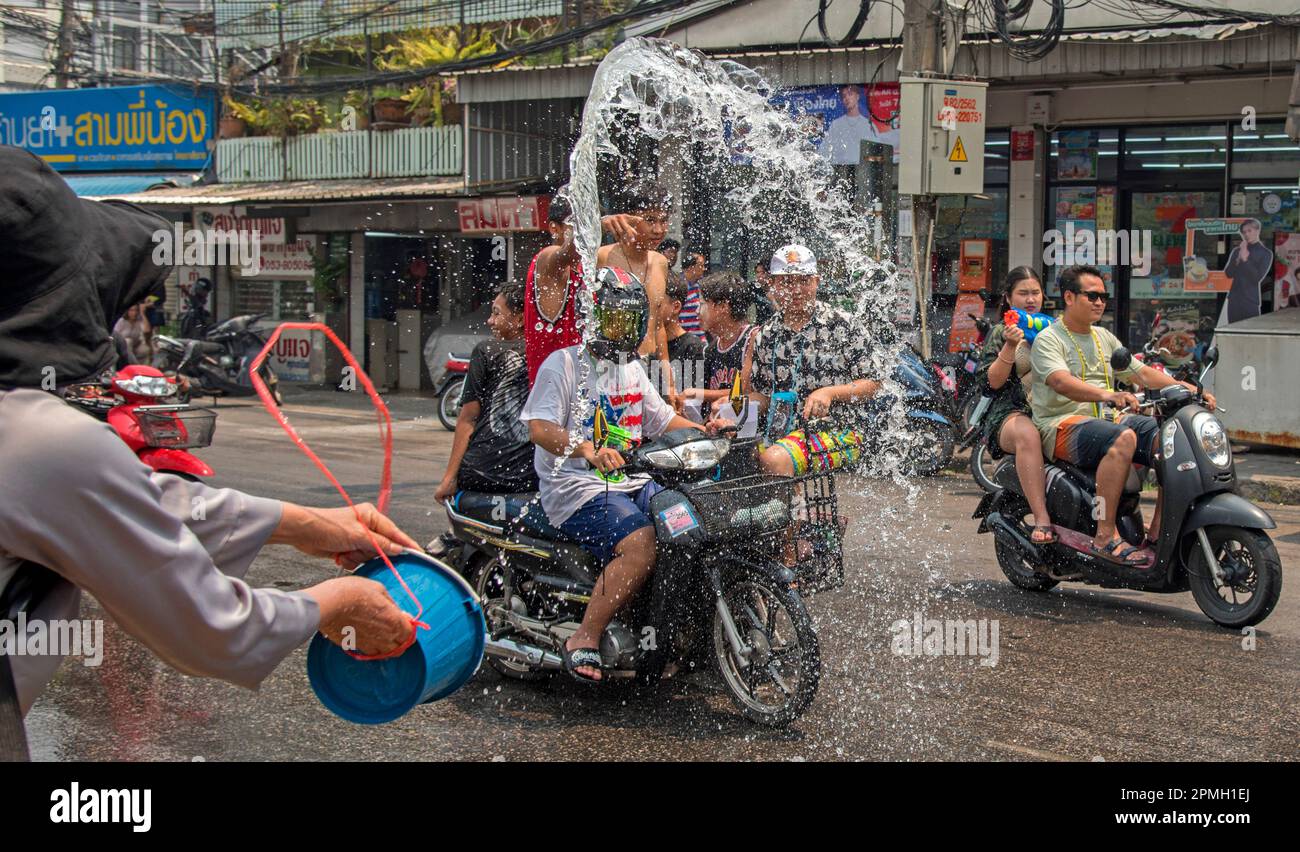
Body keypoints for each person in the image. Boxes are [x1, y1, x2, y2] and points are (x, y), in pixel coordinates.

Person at [0, 147, 417, 750]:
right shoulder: (41, 437)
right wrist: (339, 602)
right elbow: (213, 630)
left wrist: (306, 524)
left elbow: (123, 507)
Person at [519, 268, 708, 683]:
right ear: (592, 317)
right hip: (575, 487)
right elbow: (540, 428)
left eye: (630, 319)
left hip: (632, 481)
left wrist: (705, 432)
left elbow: (663, 421)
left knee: (688, 523)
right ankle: (584, 637)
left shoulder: (633, 369)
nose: (622, 329)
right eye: (613, 318)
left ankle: (664, 629)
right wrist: (587, 449)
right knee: (641, 543)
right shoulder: (563, 364)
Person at [1030, 265, 1215, 567]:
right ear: (1069, 297)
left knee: (1170, 437)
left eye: (1103, 297)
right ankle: (1105, 536)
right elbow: (1060, 381)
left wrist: (1187, 388)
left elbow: (1140, 373)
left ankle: (1158, 533)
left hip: (1105, 421)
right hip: (1061, 423)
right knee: (1123, 437)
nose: (1099, 302)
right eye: (1092, 296)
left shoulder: (1103, 337)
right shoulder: (1050, 339)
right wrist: (1108, 395)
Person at [750, 244, 881, 477]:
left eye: (804, 281)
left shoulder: (843, 325)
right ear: (773, 285)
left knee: (773, 459)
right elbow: (763, 396)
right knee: (734, 455)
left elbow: (873, 384)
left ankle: (789, 499)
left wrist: (830, 393)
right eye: (787, 282)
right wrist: (731, 409)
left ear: (817, 282)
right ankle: (789, 500)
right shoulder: (767, 334)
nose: (796, 290)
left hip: (840, 431)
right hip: (782, 433)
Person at [434, 282, 537, 502]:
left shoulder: (486, 350)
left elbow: (468, 418)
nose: (490, 321)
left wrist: (449, 478)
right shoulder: (545, 354)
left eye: (496, 313)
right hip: (529, 478)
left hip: (481, 473)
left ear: (520, 319)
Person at [976, 267, 1054, 544]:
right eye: (1023, 293)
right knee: (1027, 435)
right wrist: (1010, 346)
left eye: (1036, 292)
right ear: (1009, 298)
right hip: (1010, 412)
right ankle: (1042, 518)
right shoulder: (1001, 332)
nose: (1031, 299)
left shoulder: (1054, 329)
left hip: (1050, 410)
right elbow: (991, 384)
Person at [597, 179, 675, 399]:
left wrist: (669, 383)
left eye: (663, 221)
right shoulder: (603, 257)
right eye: (650, 220)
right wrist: (600, 223)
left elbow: (657, 325)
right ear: (628, 219)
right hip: (613, 369)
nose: (658, 229)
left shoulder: (660, 262)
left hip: (650, 368)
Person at [680, 271, 758, 413]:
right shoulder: (710, 350)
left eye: (702, 304)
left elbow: (748, 392)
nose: (697, 311)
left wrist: (698, 393)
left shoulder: (752, 339)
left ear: (723, 306)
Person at [661, 270, 706, 397]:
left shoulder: (693, 348)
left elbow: (692, 402)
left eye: (657, 304)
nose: (650, 308)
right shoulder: (646, 345)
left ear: (675, 307)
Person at [818, 85, 888, 166]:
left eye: (850, 94)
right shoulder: (836, 124)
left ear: (857, 97)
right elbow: (825, 150)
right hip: (841, 169)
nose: (847, 98)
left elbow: (878, 151)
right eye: (844, 96)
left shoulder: (868, 125)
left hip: (863, 170)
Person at [1223, 218, 1273, 324]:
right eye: (1244, 232)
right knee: (1233, 329)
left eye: (1249, 231)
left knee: (1250, 329)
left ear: (1257, 231)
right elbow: (1228, 274)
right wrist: (1238, 259)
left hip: (1250, 299)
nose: (1246, 234)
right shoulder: (1237, 251)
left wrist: (1245, 260)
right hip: (1234, 298)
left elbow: (1256, 278)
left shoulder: (1266, 253)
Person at [678, 251, 706, 338]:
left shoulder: (701, 285)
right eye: (701, 265)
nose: (704, 269)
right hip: (683, 339)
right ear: (690, 268)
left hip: (700, 337)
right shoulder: (678, 285)